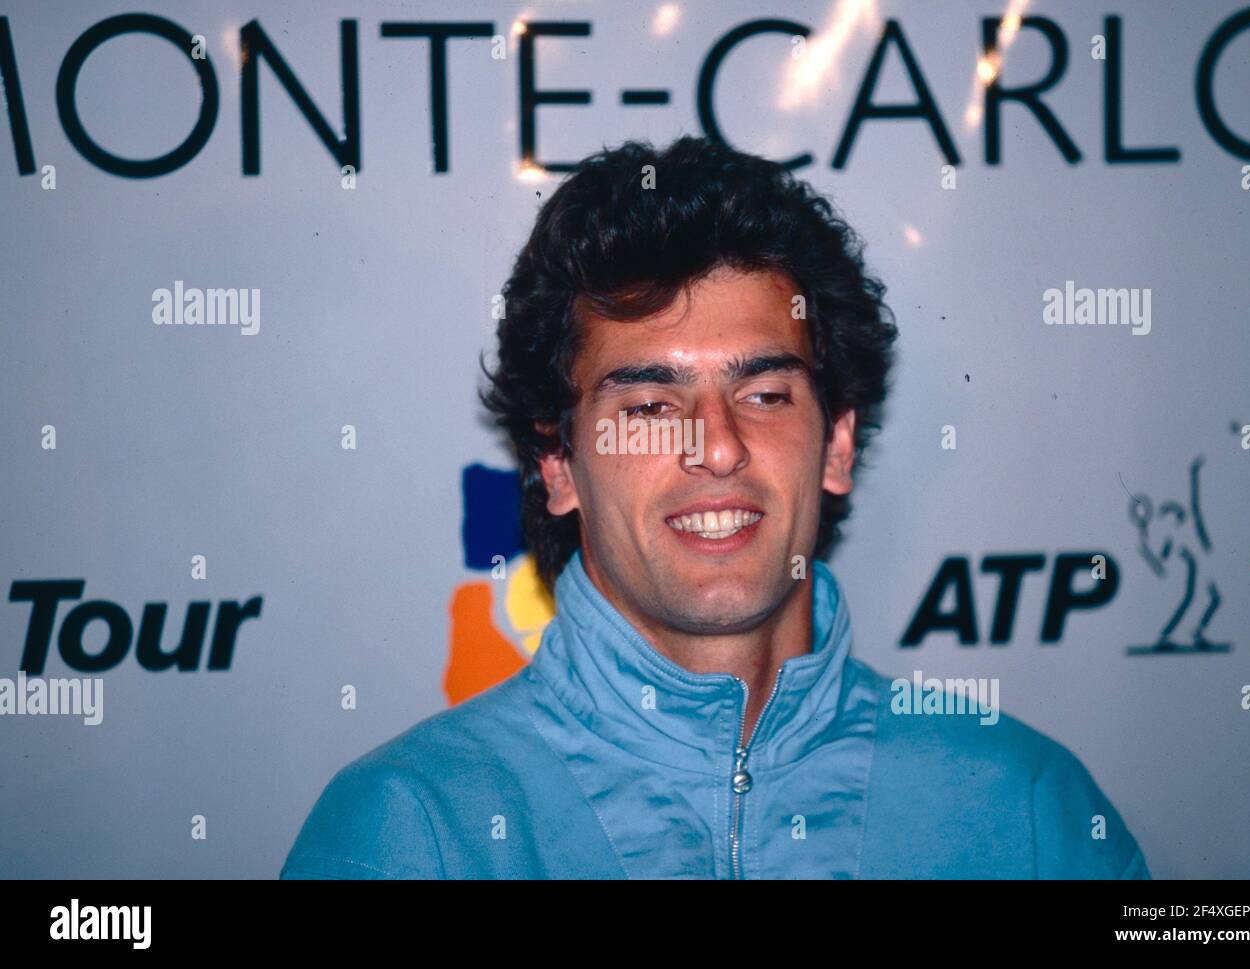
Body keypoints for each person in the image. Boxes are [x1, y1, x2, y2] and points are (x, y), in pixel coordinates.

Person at [281, 135, 1149, 879]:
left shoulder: (1030, 812)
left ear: (837, 444)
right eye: (651, 405)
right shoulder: (411, 833)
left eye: (765, 393)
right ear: (559, 463)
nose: (718, 446)